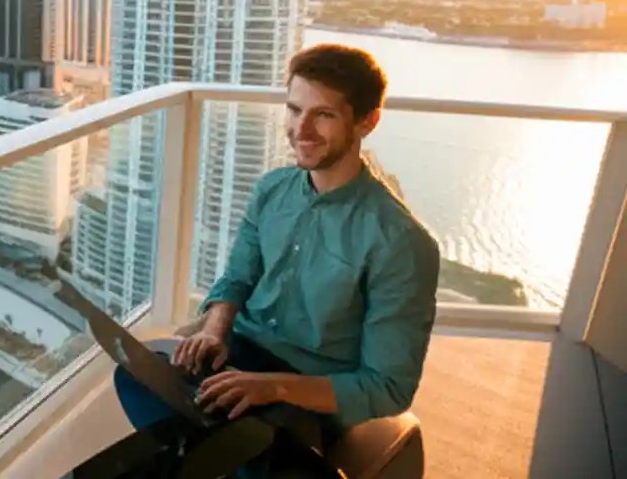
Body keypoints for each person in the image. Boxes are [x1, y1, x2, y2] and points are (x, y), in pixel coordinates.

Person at [76, 44, 441, 478]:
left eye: (323, 115)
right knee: (137, 377)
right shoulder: (272, 190)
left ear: (367, 121)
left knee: (225, 442)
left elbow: (387, 387)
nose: (300, 129)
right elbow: (237, 278)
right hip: (241, 355)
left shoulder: (400, 242)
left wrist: (271, 387)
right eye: (294, 110)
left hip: (311, 394)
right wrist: (213, 330)